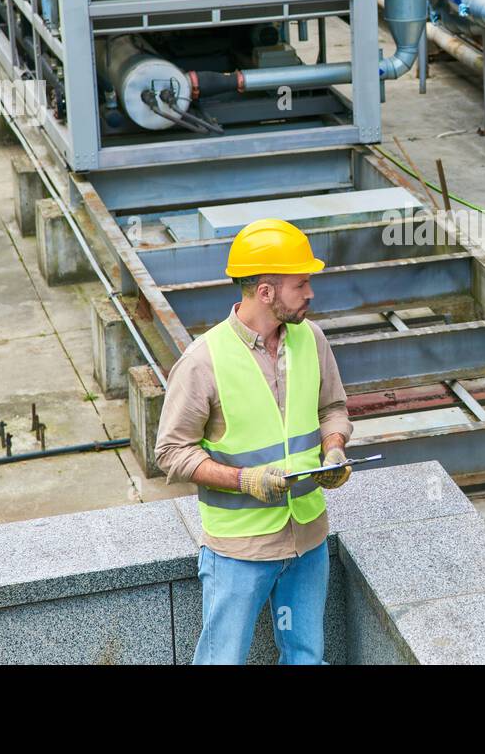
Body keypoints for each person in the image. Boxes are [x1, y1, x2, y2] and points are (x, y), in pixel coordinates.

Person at [155, 218, 353, 664]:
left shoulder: (312, 340)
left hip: (307, 538)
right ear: (266, 291)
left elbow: (332, 409)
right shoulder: (203, 361)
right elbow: (170, 452)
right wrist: (245, 479)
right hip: (239, 551)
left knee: (306, 657)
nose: (310, 293)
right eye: (301, 283)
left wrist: (334, 447)